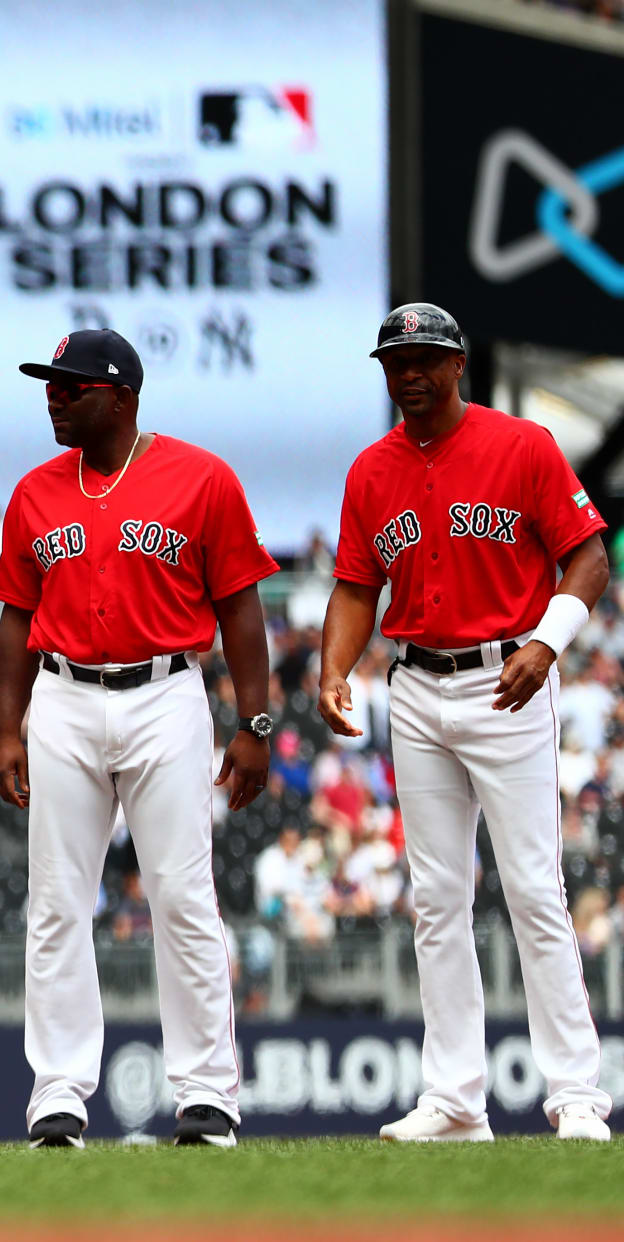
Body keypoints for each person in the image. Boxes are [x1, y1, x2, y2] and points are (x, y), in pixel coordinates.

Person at [319, 303, 613, 1143]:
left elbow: (587, 553)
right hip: (416, 683)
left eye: (423, 358)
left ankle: (576, 1096)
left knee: (532, 890)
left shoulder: (521, 445)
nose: (408, 372)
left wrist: (548, 644)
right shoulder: (370, 470)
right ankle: (454, 1100)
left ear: (456, 366)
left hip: (507, 678)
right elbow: (354, 586)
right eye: (395, 360)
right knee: (437, 899)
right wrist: (335, 667)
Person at [0, 329, 274, 1150]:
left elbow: (241, 607)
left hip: (165, 693)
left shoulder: (202, 477)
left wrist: (255, 724)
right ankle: (59, 1094)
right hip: (64, 696)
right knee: (57, 902)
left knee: (184, 898)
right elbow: (15, 616)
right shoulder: (34, 492)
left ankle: (207, 1094)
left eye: (71, 386)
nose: (54, 396)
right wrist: (7, 727)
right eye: (50, 383)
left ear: (120, 396)